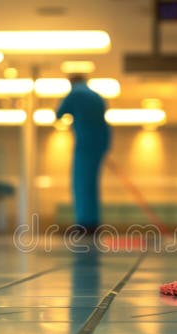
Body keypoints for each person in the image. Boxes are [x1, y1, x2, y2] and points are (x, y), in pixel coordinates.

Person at [56, 74, 111, 233]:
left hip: (84, 144)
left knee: (80, 184)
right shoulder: (97, 96)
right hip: (100, 143)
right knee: (92, 184)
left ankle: (84, 224)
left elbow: (59, 113)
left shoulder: (74, 94)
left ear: (71, 82)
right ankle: (93, 222)